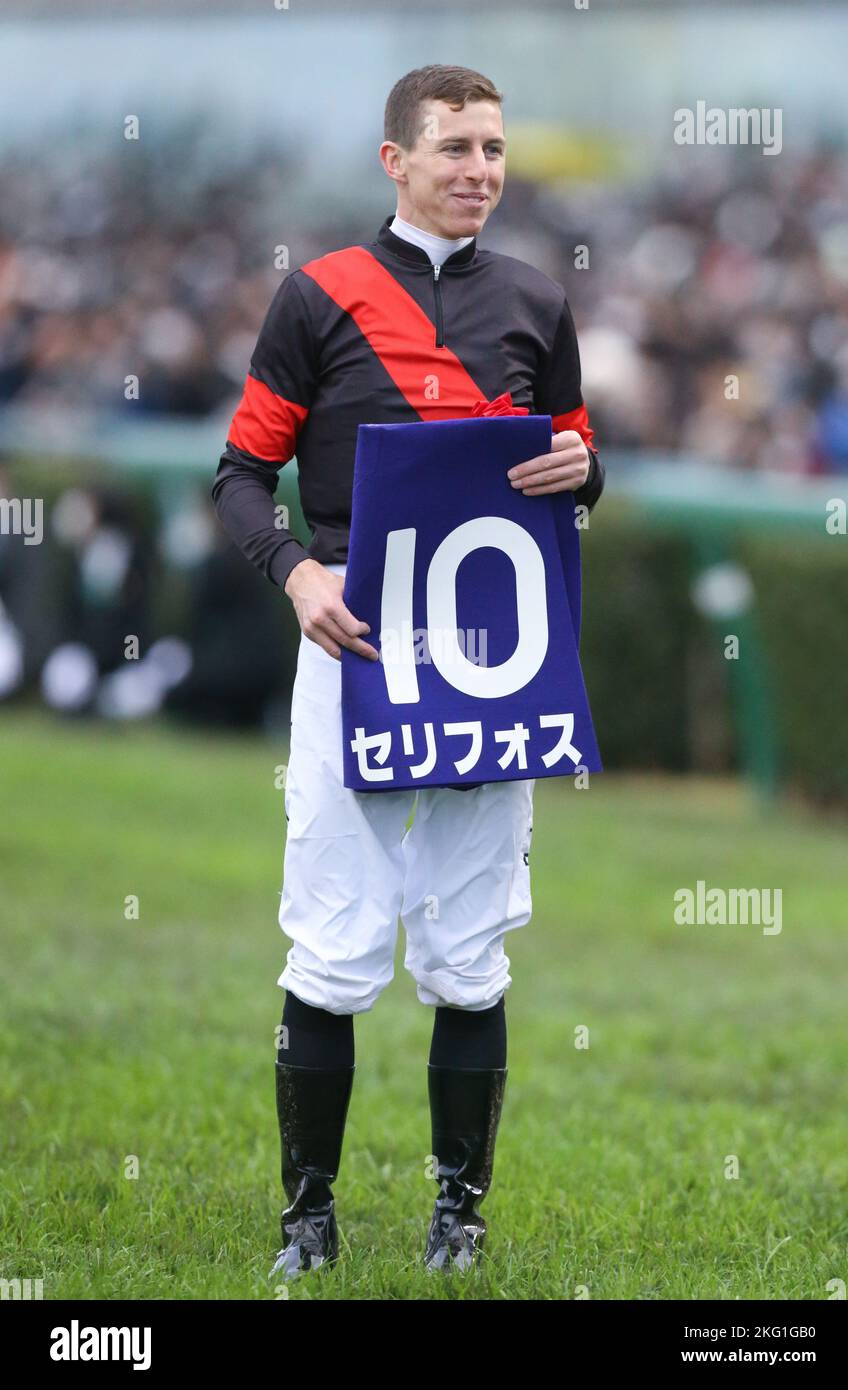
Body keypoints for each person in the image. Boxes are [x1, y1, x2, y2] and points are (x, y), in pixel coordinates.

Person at [211, 63, 605, 1278]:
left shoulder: (538, 301)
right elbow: (234, 478)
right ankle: (306, 1217)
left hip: (494, 666)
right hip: (355, 649)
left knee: (469, 950)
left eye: (493, 148)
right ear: (396, 160)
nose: (479, 169)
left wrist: (580, 475)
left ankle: (457, 1217)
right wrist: (294, 573)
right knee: (331, 946)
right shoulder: (316, 295)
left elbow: (581, 460)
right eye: (455, 149)